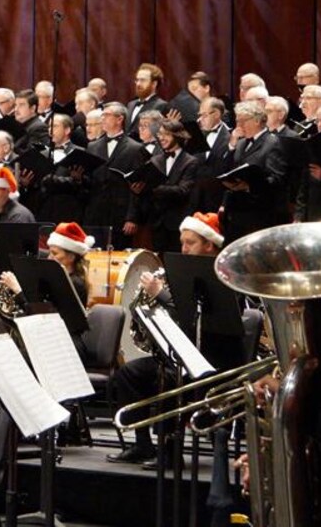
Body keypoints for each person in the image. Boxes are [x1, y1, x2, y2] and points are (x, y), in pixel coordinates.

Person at [107, 212, 225, 468]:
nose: (183, 248)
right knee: (129, 372)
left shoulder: (221, 276)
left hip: (212, 358)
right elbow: (175, 315)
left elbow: (195, 316)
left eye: (190, 243)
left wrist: (159, 293)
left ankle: (171, 453)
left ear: (209, 244)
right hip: (181, 354)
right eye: (182, 242)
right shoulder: (182, 274)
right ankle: (142, 444)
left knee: (168, 378)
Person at [219, 101, 287, 242]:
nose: (239, 125)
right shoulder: (241, 142)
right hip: (235, 212)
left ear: (257, 121)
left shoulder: (272, 143)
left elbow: (277, 179)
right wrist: (231, 146)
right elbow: (226, 169)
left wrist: (250, 186)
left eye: (242, 121)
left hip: (258, 214)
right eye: (237, 121)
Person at [86, 103, 147, 246]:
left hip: (120, 214)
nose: (103, 119)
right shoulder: (92, 146)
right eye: (102, 115)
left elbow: (137, 186)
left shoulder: (135, 148)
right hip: (95, 213)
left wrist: (132, 217)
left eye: (107, 115)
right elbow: (89, 179)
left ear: (119, 119)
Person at [136, 119, 197, 253]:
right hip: (157, 222)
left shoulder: (190, 162)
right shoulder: (155, 160)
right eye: (160, 134)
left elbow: (183, 190)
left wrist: (154, 188)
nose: (161, 138)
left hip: (178, 222)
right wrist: (138, 190)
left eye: (166, 134)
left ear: (178, 136)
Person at [125, 63, 169, 138]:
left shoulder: (162, 106)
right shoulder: (130, 104)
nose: (138, 84)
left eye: (143, 80)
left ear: (154, 84)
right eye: (137, 80)